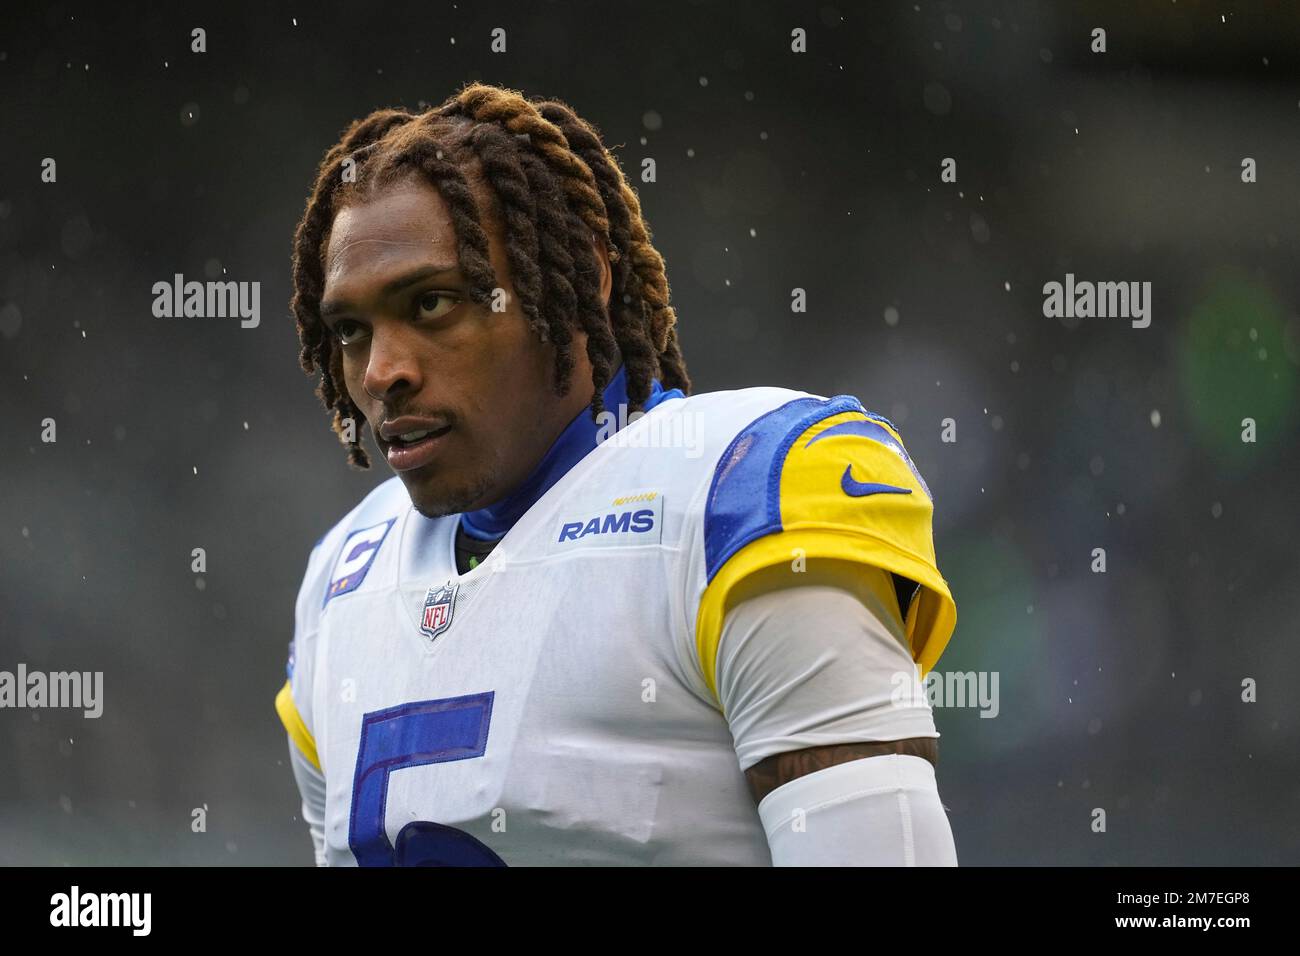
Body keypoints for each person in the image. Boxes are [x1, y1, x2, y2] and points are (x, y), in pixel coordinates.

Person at [275, 82, 959, 865]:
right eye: (352, 331)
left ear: (578, 283)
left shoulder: (742, 496)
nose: (382, 372)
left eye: (432, 304)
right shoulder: (342, 579)